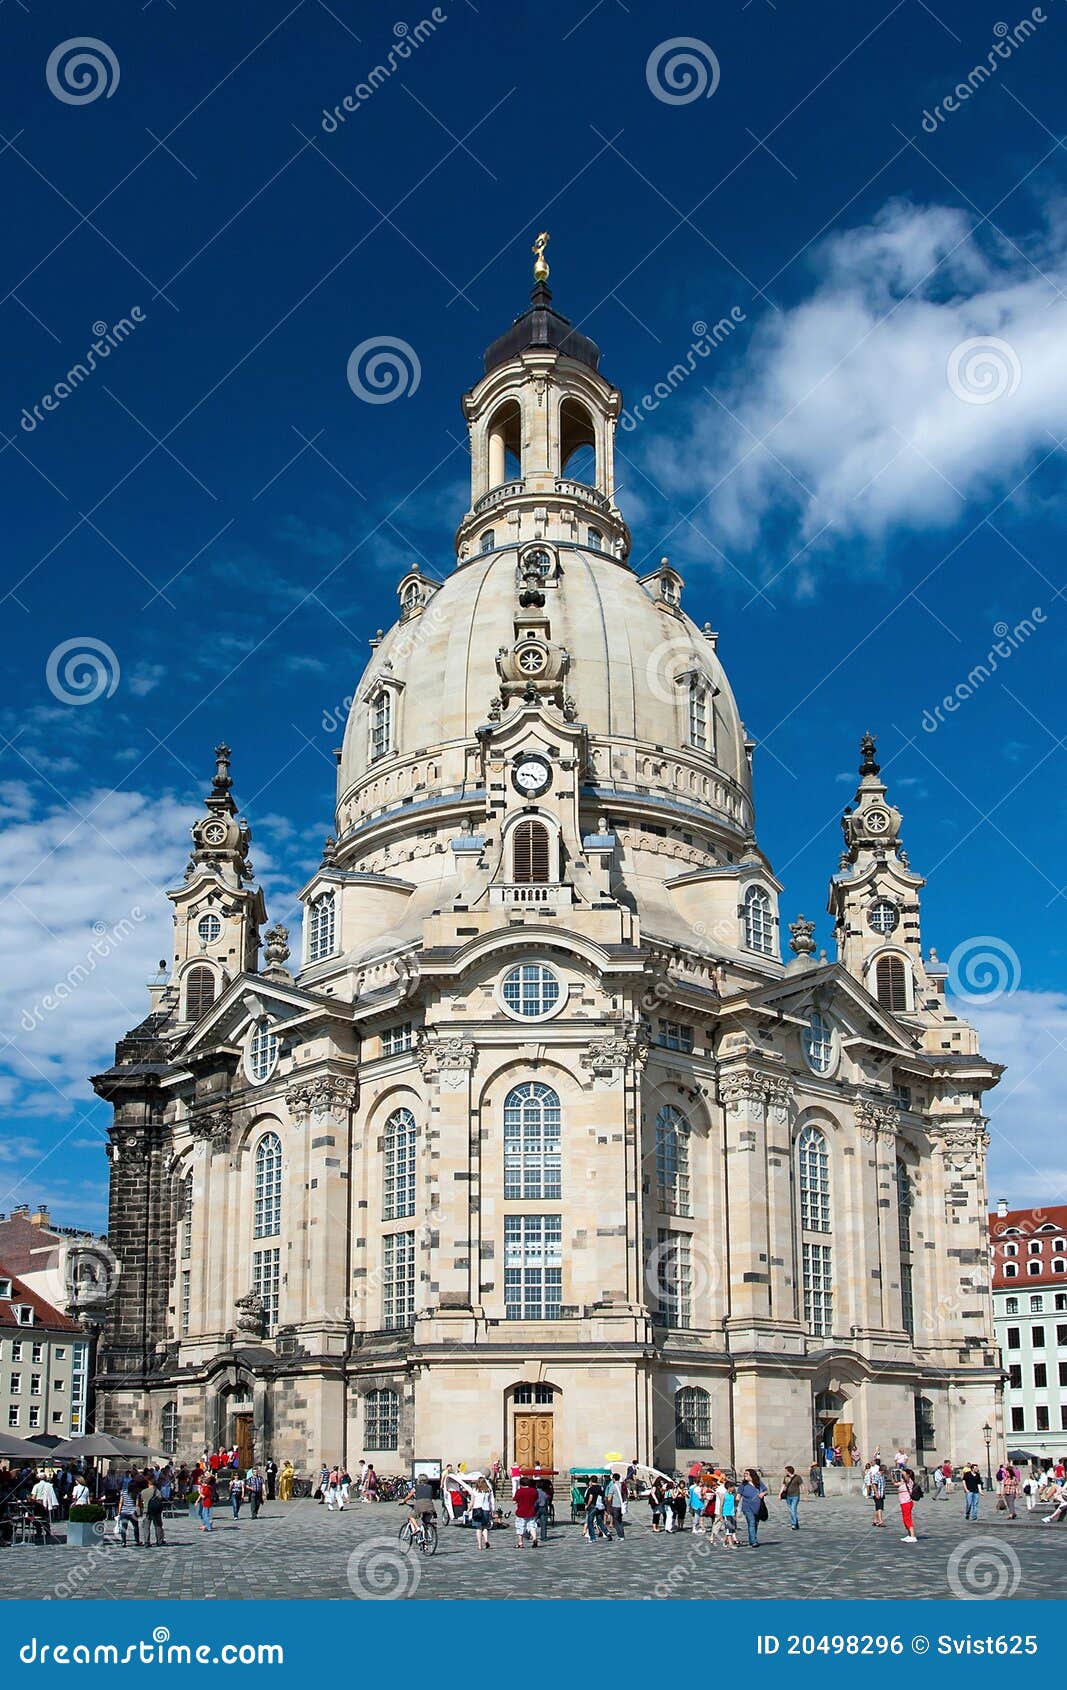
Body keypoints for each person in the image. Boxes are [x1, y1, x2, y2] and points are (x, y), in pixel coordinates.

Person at [738, 1468, 768, 1547]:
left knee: (755, 1524)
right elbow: (738, 1496)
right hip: (747, 1507)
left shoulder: (758, 1483)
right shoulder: (743, 1485)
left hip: (758, 1508)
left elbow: (765, 1490)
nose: (745, 1475)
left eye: (747, 1474)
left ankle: (752, 1539)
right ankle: (754, 1541)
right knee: (751, 1523)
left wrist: (763, 1493)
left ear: (752, 1475)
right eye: (744, 1474)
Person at [469, 1475, 494, 1550]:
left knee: (478, 1528)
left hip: (477, 1510)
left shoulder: (474, 1490)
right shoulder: (488, 1490)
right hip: (486, 1510)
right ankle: (486, 1540)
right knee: (485, 1527)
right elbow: (490, 1501)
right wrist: (492, 1510)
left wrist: (469, 1509)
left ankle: (479, 1545)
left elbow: (472, 1501)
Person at [513, 1478, 539, 1548]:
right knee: (532, 1526)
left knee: (520, 1527)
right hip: (531, 1511)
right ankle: (534, 1538)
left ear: (521, 1484)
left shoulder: (519, 1491)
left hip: (521, 1512)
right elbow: (536, 1499)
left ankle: (520, 1543)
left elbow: (514, 1501)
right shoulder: (534, 1491)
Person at [141, 1478, 166, 1547]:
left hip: (146, 1510)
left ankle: (146, 1541)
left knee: (146, 1527)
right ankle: (159, 1540)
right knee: (158, 1526)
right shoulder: (157, 1491)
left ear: (148, 1484)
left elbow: (141, 1499)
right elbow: (160, 1498)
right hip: (155, 1511)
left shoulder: (143, 1491)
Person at [583, 1475, 608, 1543]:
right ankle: (607, 1533)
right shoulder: (601, 1487)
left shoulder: (591, 1488)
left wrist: (587, 1505)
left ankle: (593, 1538)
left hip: (593, 1506)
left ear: (591, 1481)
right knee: (600, 1522)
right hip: (600, 1506)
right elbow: (604, 1497)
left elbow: (590, 1499)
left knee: (590, 1522)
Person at [898, 1466, 920, 1542]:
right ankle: (909, 1535)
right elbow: (894, 1483)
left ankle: (913, 1536)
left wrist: (901, 1470)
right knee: (905, 1518)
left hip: (907, 1502)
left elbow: (906, 1477)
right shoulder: (903, 1482)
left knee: (908, 1518)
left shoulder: (909, 1481)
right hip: (903, 1502)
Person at [780, 1465, 802, 1530]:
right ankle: (796, 1523)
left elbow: (802, 1485)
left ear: (789, 1471)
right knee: (792, 1511)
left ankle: (793, 1524)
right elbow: (783, 1486)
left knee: (792, 1509)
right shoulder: (786, 1478)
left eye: (786, 1471)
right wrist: (780, 1494)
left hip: (795, 1495)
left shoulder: (797, 1477)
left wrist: (805, 1495)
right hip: (788, 1496)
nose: (785, 1472)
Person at [869, 1460, 886, 1527]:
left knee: (877, 1507)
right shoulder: (876, 1475)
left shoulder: (882, 1476)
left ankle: (875, 1521)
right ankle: (880, 1521)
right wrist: (876, 1493)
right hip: (877, 1494)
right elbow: (874, 1484)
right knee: (880, 1508)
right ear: (883, 1470)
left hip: (881, 1493)